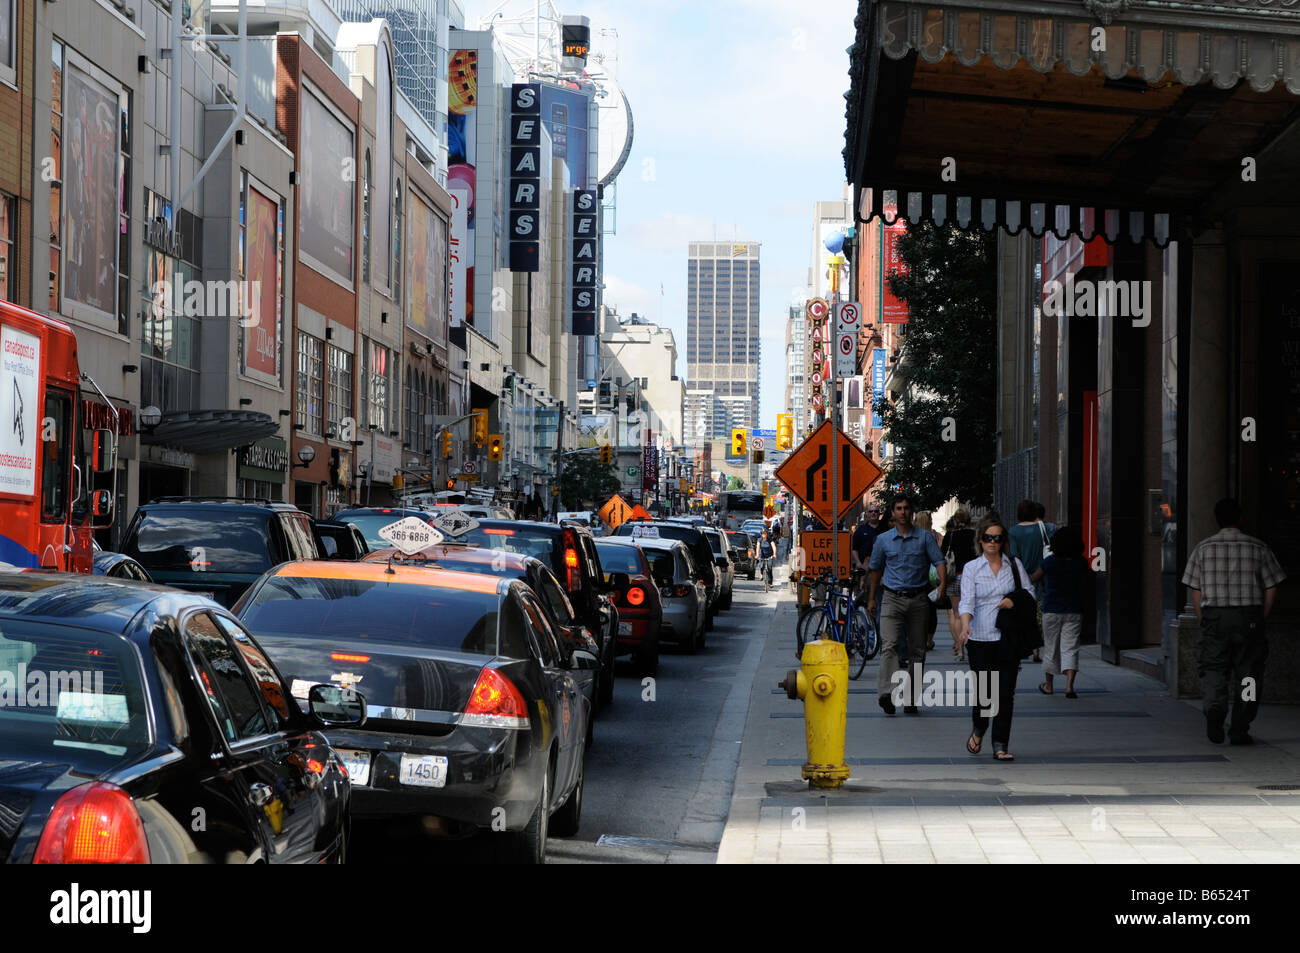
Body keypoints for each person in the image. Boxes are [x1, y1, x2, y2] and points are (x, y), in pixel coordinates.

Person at [1181, 498, 1286, 745]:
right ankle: (1240, 726)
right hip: (1249, 617)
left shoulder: (1203, 548)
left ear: (1216, 519)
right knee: (1249, 675)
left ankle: (1215, 708)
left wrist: (1202, 617)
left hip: (1215, 617)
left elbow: (1195, 589)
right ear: (1240, 518)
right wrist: (1261, 615)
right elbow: (1272, 586)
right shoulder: (1258, 547)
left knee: (1214, 669)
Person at [954, 514, 1031, 761]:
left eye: (997, 538)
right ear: (980, 539)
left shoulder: (1014, 565)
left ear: (1003, 541)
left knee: (1006, 692)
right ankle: (979, 727)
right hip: (980, 638)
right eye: (988, 538)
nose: (993, 543)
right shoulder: (972, 568)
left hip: (1007, 637)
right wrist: (965, 627)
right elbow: (966, 601)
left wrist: (1012, 600)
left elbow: (1029, 592)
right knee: (985, 693)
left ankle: (1000, 744)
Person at [867, 493, 946, 715]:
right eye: (899, 508)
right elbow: (875, 570)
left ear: (912, 512)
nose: (903, 512)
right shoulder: (883, 540)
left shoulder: (924, 538)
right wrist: (872, 598)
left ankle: (911, 697)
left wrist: (942, 585)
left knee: (917, 651)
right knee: (889, 646)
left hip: (919, 600)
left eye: (906, 508)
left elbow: (939, 562)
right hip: (891, 598)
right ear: (893, 513)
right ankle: (886, 694)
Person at [1031, 526, 1089, 698]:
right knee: (1070, 647)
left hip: (1052, 609)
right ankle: (1070, 687)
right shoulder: (1081, 562)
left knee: (1051, 647)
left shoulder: (1050, 562)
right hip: (1074, 608)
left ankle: (1049, 685)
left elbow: (1034, 577)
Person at [1008, 500, 1050, 661]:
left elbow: (1014, 557)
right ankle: (1037, 648)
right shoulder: (1043, 529)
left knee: (1024, 613)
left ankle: (1029, 646)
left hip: (1021, 578)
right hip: (1042, 576)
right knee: (1039, 613)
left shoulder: (1013, 532)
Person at [941, 508, 978, 661]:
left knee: (956, 614)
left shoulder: (950, 536)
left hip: (954, 577)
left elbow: (941, 555)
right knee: (972, 614)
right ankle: (973, 646)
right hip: (972, 578)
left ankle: (960, 649)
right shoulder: (975, 535)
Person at [914, 512, 942, 650]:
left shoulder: (912, 536)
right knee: (931, 610)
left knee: (916, 609)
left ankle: (919, 638)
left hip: (916, 577)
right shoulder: (936, 536)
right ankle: (929, 640)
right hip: (931, 578)